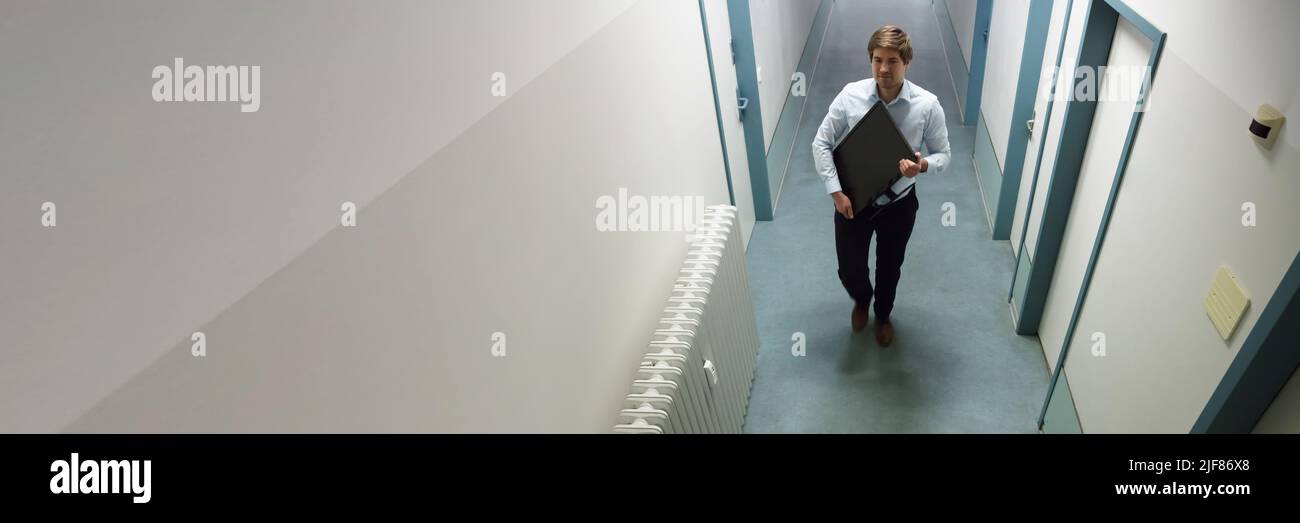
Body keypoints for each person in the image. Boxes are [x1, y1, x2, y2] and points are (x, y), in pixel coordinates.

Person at [811, 25, 951, 347]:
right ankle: (861, 298)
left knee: (890, 267)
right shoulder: (851, 95)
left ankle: (883, 314)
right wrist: (836, 192)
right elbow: (821, 142)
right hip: (853, 199)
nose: (884, 69)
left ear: (907, 62)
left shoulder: (927, 105)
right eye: (877, 60)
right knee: (849, 267)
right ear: (870, 60)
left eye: (892, 61)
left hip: (899, 203)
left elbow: (944, 154)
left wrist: (923, 165)